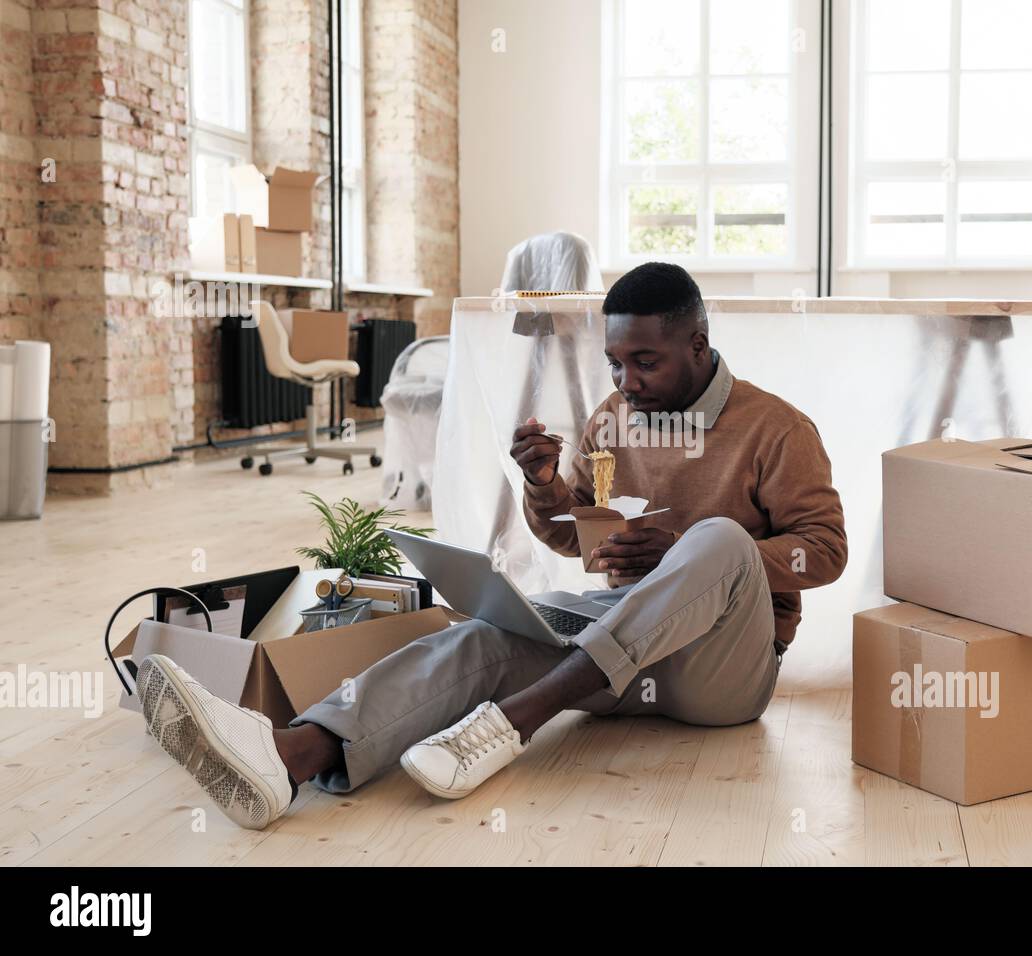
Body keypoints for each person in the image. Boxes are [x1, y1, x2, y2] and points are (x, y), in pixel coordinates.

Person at [136, 262, 848, 830]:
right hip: (622, 657)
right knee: (489, 632)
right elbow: (575, 541)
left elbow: (825, 550)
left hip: (723, 670)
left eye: (646, 363)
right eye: (614, 364)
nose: (627, 383)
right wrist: (542, 484)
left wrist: (691, 552)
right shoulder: (614, 418)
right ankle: (289, 756)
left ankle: (514, 721)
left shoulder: (777, 428)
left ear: (698, 346)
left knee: (717, 539)